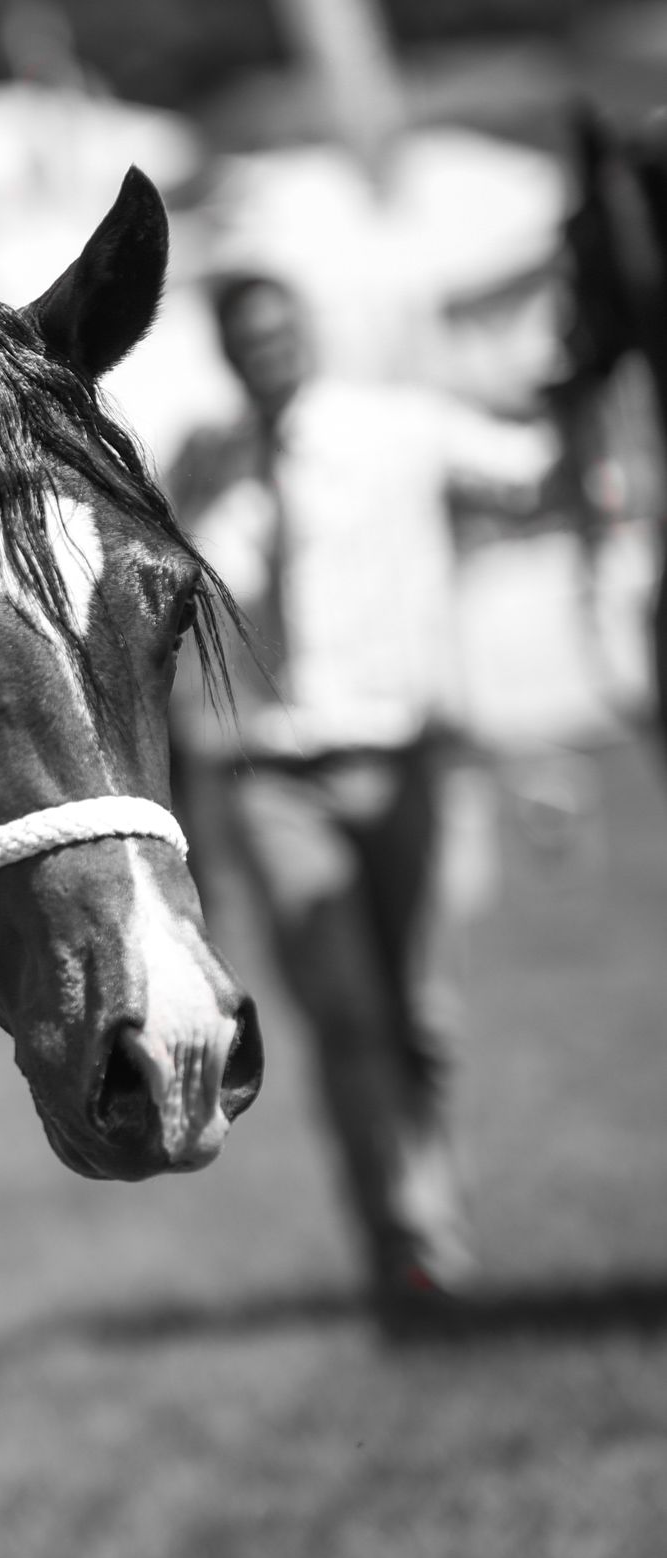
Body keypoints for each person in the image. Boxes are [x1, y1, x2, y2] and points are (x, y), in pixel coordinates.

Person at [167, 272, 556, 1329]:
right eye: (247, 339)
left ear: (309, 331)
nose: (268, 353)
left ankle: (431, 1212)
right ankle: (406, 1241)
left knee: (423, 1014)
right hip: (273, 775)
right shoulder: (206, 462)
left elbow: (535, 473)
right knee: (344, 1013)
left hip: (404, 758)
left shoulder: (400, 430)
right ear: (227, 351)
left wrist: (582, 366)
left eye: (281, 331)